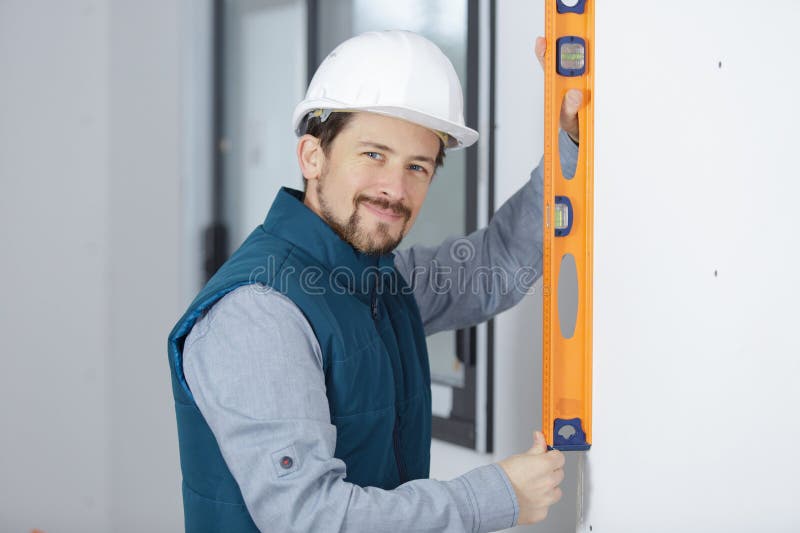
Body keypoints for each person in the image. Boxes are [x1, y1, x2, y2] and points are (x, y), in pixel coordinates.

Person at [168, 30, 582, 532]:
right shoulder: (260, 313)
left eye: (418, 167)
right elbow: (311, 518)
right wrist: (497, 497)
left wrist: (570, 137)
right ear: (312, 157)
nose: (395, 188)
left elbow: (492, 263)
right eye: (373, 155)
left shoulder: (377, 283)